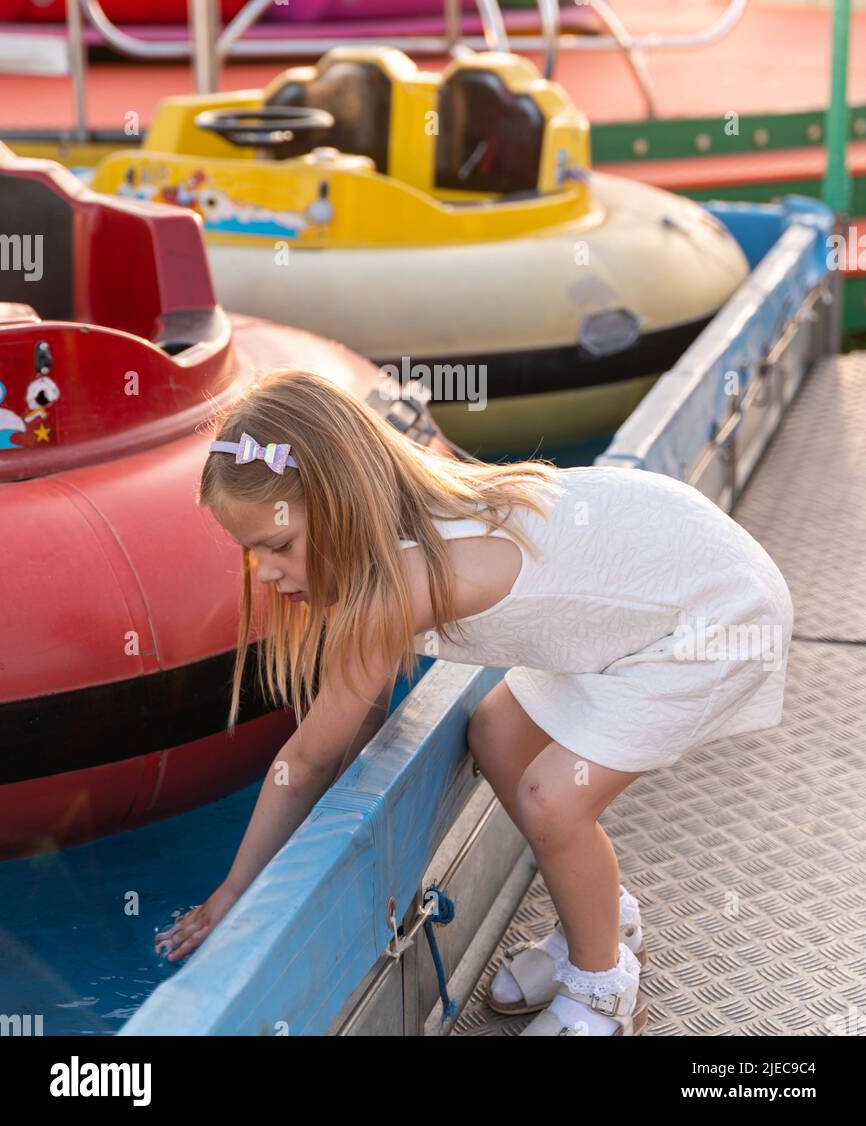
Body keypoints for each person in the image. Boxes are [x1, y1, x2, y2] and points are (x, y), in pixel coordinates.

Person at [154, 368, 794, 1038]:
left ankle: (603, 987)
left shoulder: (394, 587)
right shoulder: (408, 525)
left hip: (712, 615)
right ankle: (606, 920)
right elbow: (355, 718)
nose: (267, 571)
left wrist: (233, 895)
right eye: (250, 554)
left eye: (279, 545)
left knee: (554, 797)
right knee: (495, 732)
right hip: (653, 590)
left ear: (343, 504)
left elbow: (308, 760)